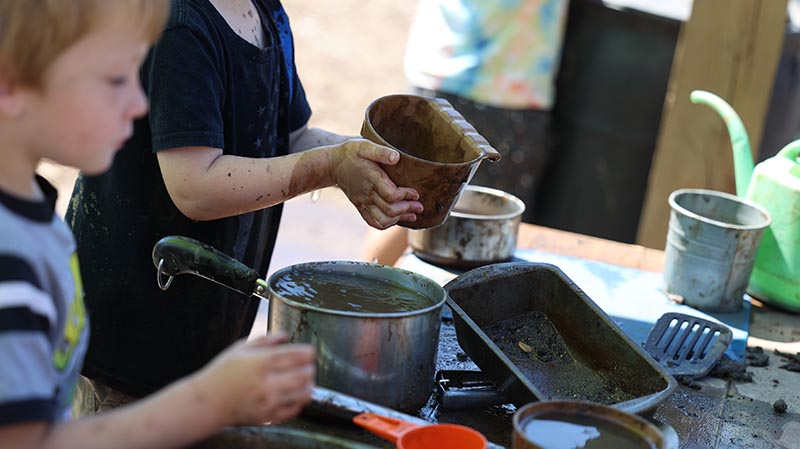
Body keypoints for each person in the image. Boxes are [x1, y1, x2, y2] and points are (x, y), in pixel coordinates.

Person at [66, 0, 424, 411]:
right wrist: (329, 168)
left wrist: (370, 159)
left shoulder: (264, 11)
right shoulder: (178, 29)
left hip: (204, 323)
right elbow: (195, 187)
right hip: (132, 331)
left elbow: (291, 138)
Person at [0, 1, 316, 448]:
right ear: (10, 83)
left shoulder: (35, 224)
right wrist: (208, 400)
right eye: (114, 79)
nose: (139, 102)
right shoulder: (11, 263)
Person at [360, 0, 570, 265]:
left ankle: (356, 293)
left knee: (410, 209)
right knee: (431, 215)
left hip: (452, 67)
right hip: (505, 87)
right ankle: (357, 294)